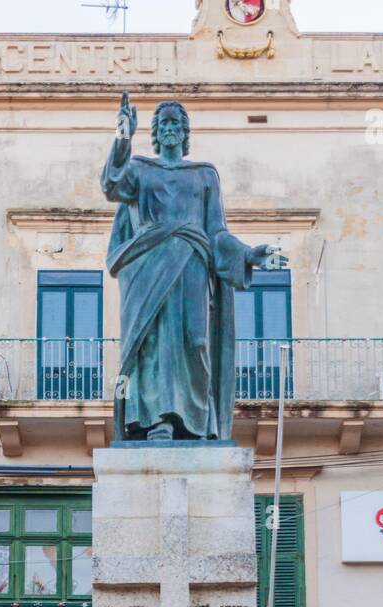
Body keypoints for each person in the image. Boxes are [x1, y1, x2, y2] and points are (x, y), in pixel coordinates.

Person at [101, 92, 274, 441]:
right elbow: (112, 186)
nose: (169, 129)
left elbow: (217, 232)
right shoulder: (140, 169)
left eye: (175, 123)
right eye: (163, 123)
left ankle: (197, 422)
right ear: (154, 132)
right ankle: (157, 421)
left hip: (193, 263)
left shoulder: (204, 175)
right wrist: (123, 138)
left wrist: (248, 254)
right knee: (154, 343)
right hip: (149, 266)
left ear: (184, 132)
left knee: (196, 340)